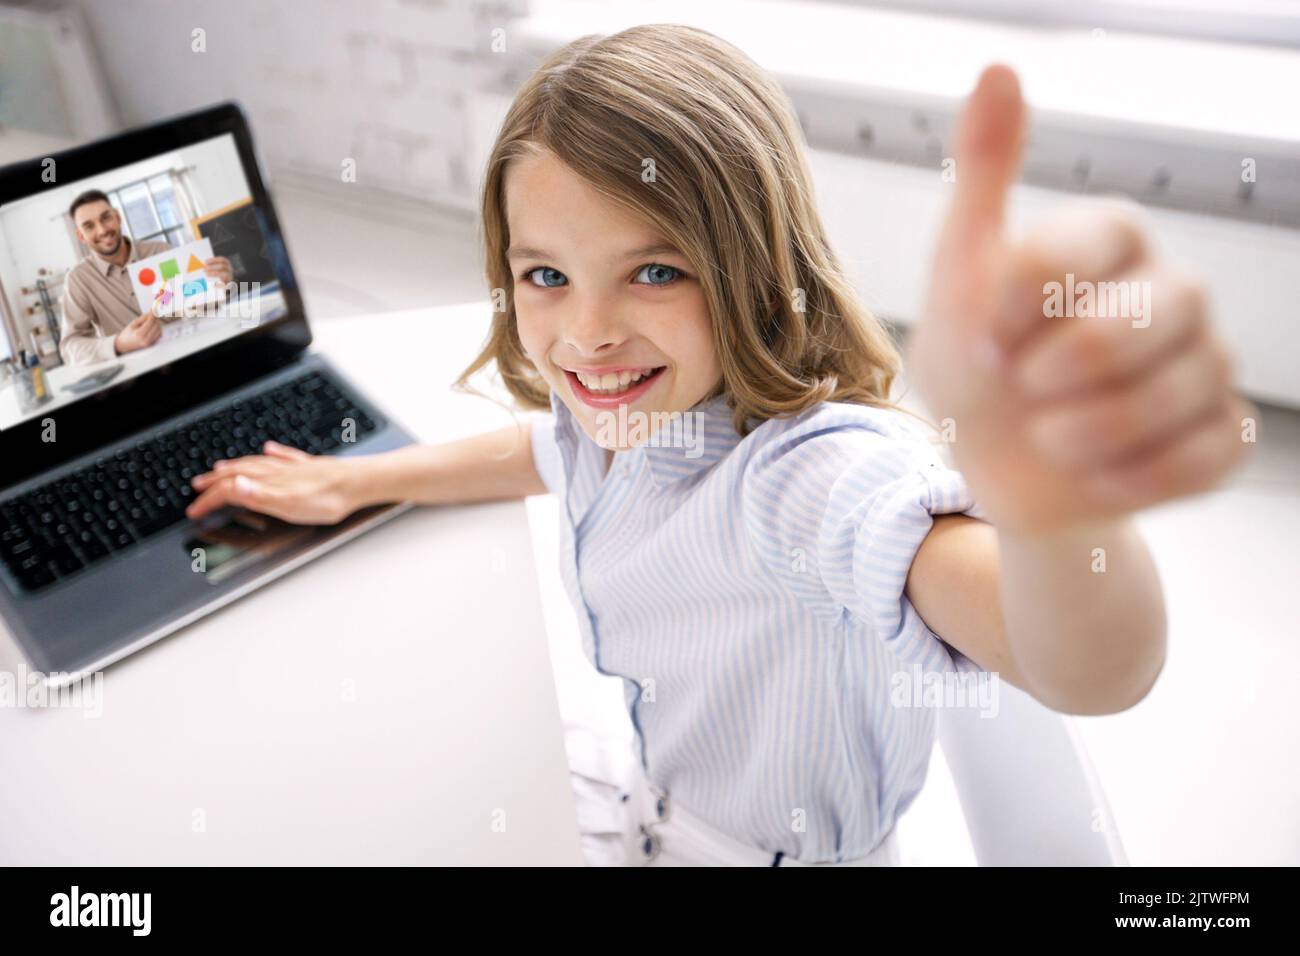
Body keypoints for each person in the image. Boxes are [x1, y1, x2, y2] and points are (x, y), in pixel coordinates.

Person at [183, 26, 1251, 865]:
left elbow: (1092, 669)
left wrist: (1056, 501)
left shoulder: (808, 475)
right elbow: (543, 450)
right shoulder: (625, 406)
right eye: (546, 274)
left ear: (753, 260)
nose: (588, 333)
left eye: (655, 271)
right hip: (663, 796)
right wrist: (354, 479)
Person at [59, 189, 233, 365]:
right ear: (81, 236)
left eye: (106, 218)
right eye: (89, 226)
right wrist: (118, 344)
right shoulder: (78, 280)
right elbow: (70, 348)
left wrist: (219, 287)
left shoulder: (160, 251)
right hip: (136, 374)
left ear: (117, 218)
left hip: (188, 357)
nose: (102, 230)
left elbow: (199, 308)